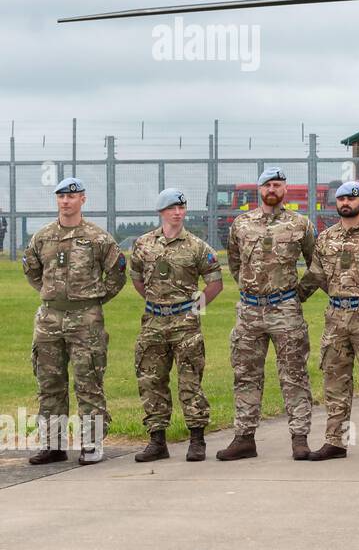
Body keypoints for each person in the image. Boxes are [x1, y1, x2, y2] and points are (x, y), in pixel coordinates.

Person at [22, 177, 126, 465]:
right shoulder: (42, 237)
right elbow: (32, 270)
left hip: (85, 321)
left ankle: (91, 444)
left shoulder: (98, 238)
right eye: (61, 196)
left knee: (88, 382)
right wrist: (52, 296)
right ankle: (53, 445)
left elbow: (116, 275)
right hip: (49, 320)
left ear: (83, 199)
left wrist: (92, 300)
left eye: (72, 196)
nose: (66, 201)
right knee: (49, 383)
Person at [218, 168, 316, 461]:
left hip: (285, 310)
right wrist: (250, 290)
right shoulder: (241, 224)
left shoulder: (300, 225)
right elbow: (235, 263)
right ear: (259, 190)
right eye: (267, 185)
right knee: (245, 375)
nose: (272, 189)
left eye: (277, 185)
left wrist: (297, 295)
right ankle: (244, 438)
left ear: (285, 189)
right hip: (250, 311)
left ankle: (300, 438)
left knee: (294, 374)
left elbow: (316, 265)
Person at [300, 181, 359, 462]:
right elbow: (316, 275)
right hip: (335, 318)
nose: (346, 203)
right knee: (335, 381)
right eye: (341, 198)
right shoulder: (325, 238)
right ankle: (338, 442)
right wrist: (298, 298)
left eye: (352, 199)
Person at [129, 189, 224, 462]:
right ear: (161, 211)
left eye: (181, 208)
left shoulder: (197, 246)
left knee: (190, 381)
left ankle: (197, 440)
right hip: (153, 322)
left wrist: (194, 309)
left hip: (185, 324)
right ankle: (157, 441)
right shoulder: (144, 244)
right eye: (172, 208)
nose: (178, 213)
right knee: (151, 380)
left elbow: (215, 283)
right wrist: (155, 302)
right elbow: (137, 278)